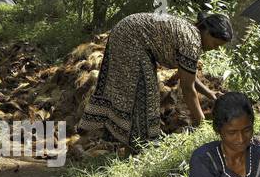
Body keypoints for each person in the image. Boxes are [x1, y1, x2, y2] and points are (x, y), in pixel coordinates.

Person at [77, 10, 231, 149]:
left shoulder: (192, 35)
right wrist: (202, 123)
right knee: (144, 95)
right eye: (215, 44)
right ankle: (140, 147)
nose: (215, 48)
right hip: (130, 39)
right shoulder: (192, 42)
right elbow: (187, 88)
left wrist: (211, 94)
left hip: (127, 32)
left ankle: (135, 146)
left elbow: (187, 76)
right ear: (207, 32)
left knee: (145, 95)